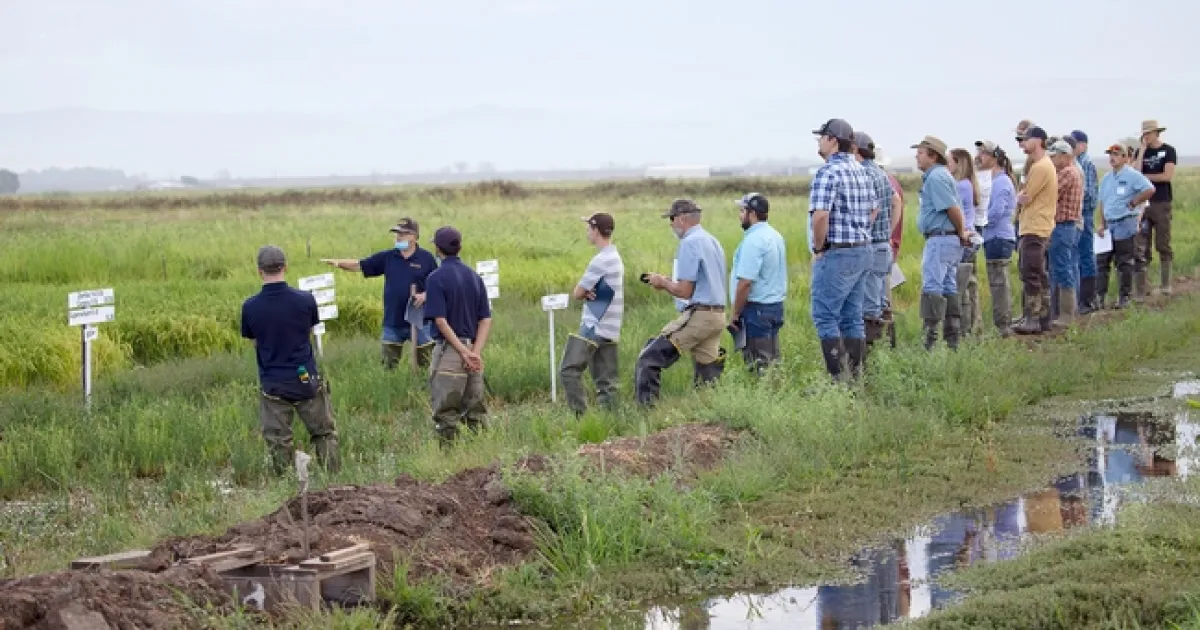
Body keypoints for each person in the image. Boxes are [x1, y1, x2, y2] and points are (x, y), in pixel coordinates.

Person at [240, 245, 340, 475]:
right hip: (305, 378)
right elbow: (310, 333)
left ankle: (285, 484)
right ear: (285, 267)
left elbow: (254, 341)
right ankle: (334, 480)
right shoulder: (306, 300)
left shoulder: (250, 307)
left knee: (278, 439)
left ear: (259, 271)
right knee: (323, 432)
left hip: (273, 382)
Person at [636, 199, 728, 405]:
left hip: (700, 317)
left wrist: (662, 282)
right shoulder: (712, 241)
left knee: (649, 358)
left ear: (683, 219)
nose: (671, 224)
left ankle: (648, 415)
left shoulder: (689, 243)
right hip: (717, 316)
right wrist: (669, 281)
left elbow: (685, 291)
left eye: (672, 218)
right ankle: (711, 414)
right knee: (708, 372)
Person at [321, 218, 438, 370]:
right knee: (388, 365)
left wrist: (425, 296)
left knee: (426, 364)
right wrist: (337, 263)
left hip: (420, 321)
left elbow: (438, 286)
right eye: (396, 234)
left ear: (414, 237)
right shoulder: (388, 257)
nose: (398, 237)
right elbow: (360, 265)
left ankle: (423, 389)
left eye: (402, 234)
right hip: (393, 321)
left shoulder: (427, 258)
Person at [808, 119, 875, 379]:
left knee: (825, 315)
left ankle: (838, 379)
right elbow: (874, 209)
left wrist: (819, 247)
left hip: (838, 252)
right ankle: (855, 377)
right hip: (862, 248)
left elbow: (820, 216)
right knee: (852, 316)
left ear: (833, 140)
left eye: (822, 136)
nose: (819, 141)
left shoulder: (828, 172)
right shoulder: (861, 170)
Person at [423, 226, 493, 445]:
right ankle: (481, 456)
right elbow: (485, 318)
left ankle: (448, 460)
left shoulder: (435, 278)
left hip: (449, 351)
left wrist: (462, 352)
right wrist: (475, 352)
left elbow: (440, 321)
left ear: (437, 248)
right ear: (459, 247)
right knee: (476, 412)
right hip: (473, 350)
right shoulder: (474, 276)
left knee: (446, 414)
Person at [559, 213, 624, 415]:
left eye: (589, 228)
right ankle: (610, 421)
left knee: (568, 371)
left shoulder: (601, 260)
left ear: (596, 231)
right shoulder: (615, 257)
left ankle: (581, 416)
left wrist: (585, 292)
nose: (587, 232)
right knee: (607, 382)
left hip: (594, 324)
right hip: (611, 327)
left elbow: (577, 292)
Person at [911, 135, 971, 350]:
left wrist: (962, 231)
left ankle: (930, 341)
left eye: (920, 153)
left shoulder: (936, 178)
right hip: (947, 239)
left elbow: (952, 208)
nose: (916, 157)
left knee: (932, 289)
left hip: (940, 238)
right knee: (949, 286)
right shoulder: (941, 175)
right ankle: (952, 340)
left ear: (933, 155)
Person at [852, 131, 901, 350]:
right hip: (883, 245)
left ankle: (868, 357)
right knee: (881, 300)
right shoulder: (880, 173)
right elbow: (896, 202)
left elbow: (868, 210)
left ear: (855, 150)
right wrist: (888, 232)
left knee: (868, 306)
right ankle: (888, 347)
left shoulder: (863, 175)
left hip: (870, 246)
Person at [728, 192, 787, 373]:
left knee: (759, 367)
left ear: (751, 214)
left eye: (742, 210)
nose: (740, 215)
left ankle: (767, 399)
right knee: (773, 363)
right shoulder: (775, 235)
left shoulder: (753, 240)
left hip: (756, 310)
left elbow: (745, 282)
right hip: (774, 306)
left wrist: (735, 314)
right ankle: (777, 397)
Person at [1095, 144, 1156, 310]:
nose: (1112, 158)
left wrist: (1135, 202)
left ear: (1125, 157)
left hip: (1125, 221)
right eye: (1110, 155)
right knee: (1102, 262)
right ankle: (1100, 297)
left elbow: (1150, 189)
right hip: (1110, 224)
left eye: (1116, 154)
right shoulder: (1106, 178)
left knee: (1124, 261)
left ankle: (1124, 297)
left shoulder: (1133, 175)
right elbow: (1103, 202)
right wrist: (1102, 223)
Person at [1011, 126, 1058, 335]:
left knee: (1031, 273)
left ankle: (1033, 319)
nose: (1022, 143)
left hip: (1034, 226)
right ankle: (1043, 317)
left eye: (1025, 139)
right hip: (1039, 225)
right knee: (1039, 272)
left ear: (1038, 140)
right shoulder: (1045, 165)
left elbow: (1026, 196)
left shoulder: (1040, 167)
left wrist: (1019, 197)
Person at [975, 140, 1018, 336]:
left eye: (983, 153)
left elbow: (997, 211)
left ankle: (1003, 325)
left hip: (998, 236)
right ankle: (1003, 323)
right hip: (995, 236)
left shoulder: (1001, 181)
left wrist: (981, 221)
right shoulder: (996, 180)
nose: (979, 157)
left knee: (999, 282)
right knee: (997, 281)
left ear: (994, 158)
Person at [1132, 119, 1177, 297]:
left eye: (1149, 133)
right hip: (1144, 203)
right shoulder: (1140, 151)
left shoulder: (1168, 151)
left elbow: (1167, 176)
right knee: (1142, 245)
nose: (1146, 136)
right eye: (1144, 134)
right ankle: (1144, 288)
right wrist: (1142, 151)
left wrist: (1145, 178)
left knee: (1162, 243)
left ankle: (1166, 284)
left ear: (1157, 133)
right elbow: (1135, 173)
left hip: (1161, 201)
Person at [1047, 139, 1084, 326]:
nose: (1052, 160)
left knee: (1062, 268)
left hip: (1063, 225)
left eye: (1054, 156)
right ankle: (1063, 312)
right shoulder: (1072, 171)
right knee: (1061, 267)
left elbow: (1049, 192)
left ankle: (1067, 314)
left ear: (1065, 156)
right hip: (1065, 226)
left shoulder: (1068, 173)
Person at [948, 148, 983, 338]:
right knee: (971, 284)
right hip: (971, 236)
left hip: (963, 238)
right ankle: (974, 327)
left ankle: (965, 328)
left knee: (962, 287)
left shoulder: (960, 186)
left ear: (958, 163)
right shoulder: (968, 184)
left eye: (950, 162)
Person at [1070, 130, 1100, 313]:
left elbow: (1087, 192)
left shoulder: (1086, 163)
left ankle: (1088, 299)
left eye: (1076, 143)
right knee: (1079, 255)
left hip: (1085, 213)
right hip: (1079, 214)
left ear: (1083, 145)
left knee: (1086, 254)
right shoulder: (1077, 163)